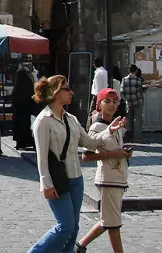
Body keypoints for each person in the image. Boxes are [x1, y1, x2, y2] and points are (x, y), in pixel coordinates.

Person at [28, 75, 126, 253]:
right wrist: (46, 184)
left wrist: (109, 131)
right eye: (67, 89)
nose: (71, 92)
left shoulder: (71, 119)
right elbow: (41, 158)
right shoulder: (43, 121)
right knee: (65, 226)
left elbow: (90, 142)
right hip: (58, 180)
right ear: (57, 93)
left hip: (76, 179)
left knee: (74, 228)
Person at [76, 88, 133, 253]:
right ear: (99, 104)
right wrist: (114, 154)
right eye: (107, 101)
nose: (111, 105)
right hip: (108, 179)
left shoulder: (114, 124)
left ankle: (80, 246)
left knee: (107, 220)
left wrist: (124, 152)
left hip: (119, 177)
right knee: (113, 223)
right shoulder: (97, 126)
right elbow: (87, 156)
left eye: (115, 102)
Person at [12, 68, 37, 149]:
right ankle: (27, 142)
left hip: (18, 112)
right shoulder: (29, 84)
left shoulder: (17, 86)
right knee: (26, 127)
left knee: (19, 127)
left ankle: (19, 144)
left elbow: (13, 98)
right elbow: (32, 97)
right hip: (26, 112)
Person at [121, 64, 144, 142]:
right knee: (137, 119)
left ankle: (128, 135)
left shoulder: (124, 80)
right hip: (137, 101)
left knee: (128, 119)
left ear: (129, 70)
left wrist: (126, 100)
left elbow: (121, 92)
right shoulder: (138, 80)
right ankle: (137, 137)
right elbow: (141, 91)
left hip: (128, 102)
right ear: (136, 70)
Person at [87, 58, 108, 130]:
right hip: (104, 94)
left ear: (95, 64)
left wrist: (98, 97)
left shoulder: (98, 73)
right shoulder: (104, 71)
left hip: (97, 95)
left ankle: (90, 127)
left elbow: (98, 86)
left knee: (92, 112)